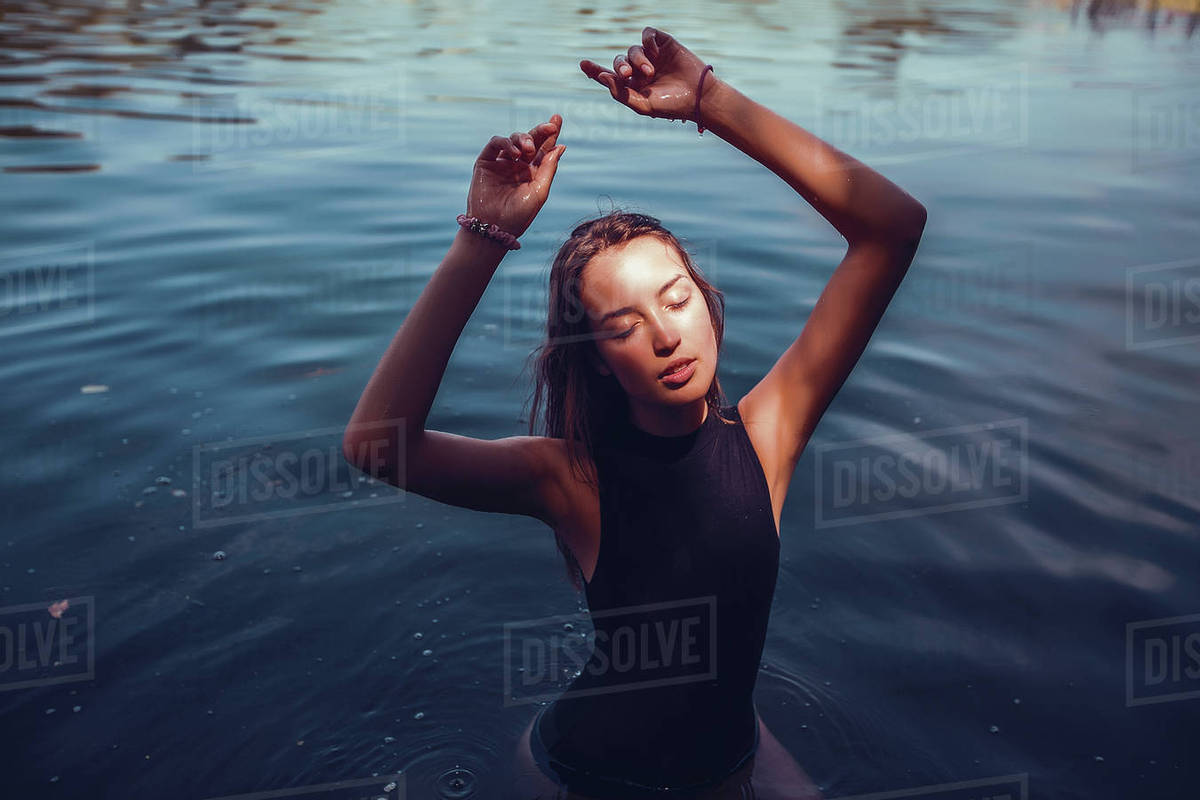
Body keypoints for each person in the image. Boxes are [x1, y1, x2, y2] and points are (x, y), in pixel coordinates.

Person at [343, 25, 926, 800]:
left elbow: (891, 229)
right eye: (621, 327)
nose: (663, 335)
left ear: (707, 304)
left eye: (677, 298)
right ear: (596, 359)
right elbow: (377, 447)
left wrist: (712, 102)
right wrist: (483, 239)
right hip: (588, 775)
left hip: (734, 751)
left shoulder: (767, 435)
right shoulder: (569, 479)